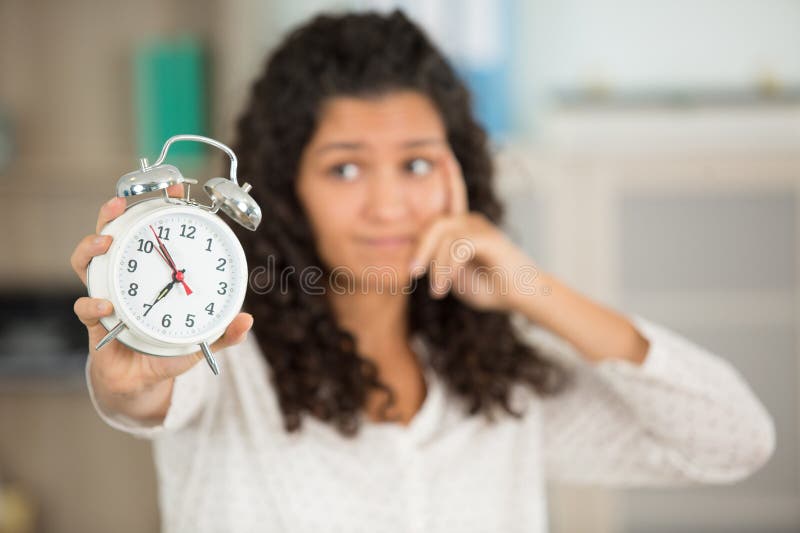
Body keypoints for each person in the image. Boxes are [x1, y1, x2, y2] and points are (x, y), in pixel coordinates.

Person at [70, 10, 775, 533]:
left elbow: (734, 437)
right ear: (289, 189)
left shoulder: (496, 386)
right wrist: (131, 368)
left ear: (457, 175)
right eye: (344, 167)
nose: (389, 205)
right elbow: (146, 395)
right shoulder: (227, 354)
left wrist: (532, 290)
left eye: (415, 163)